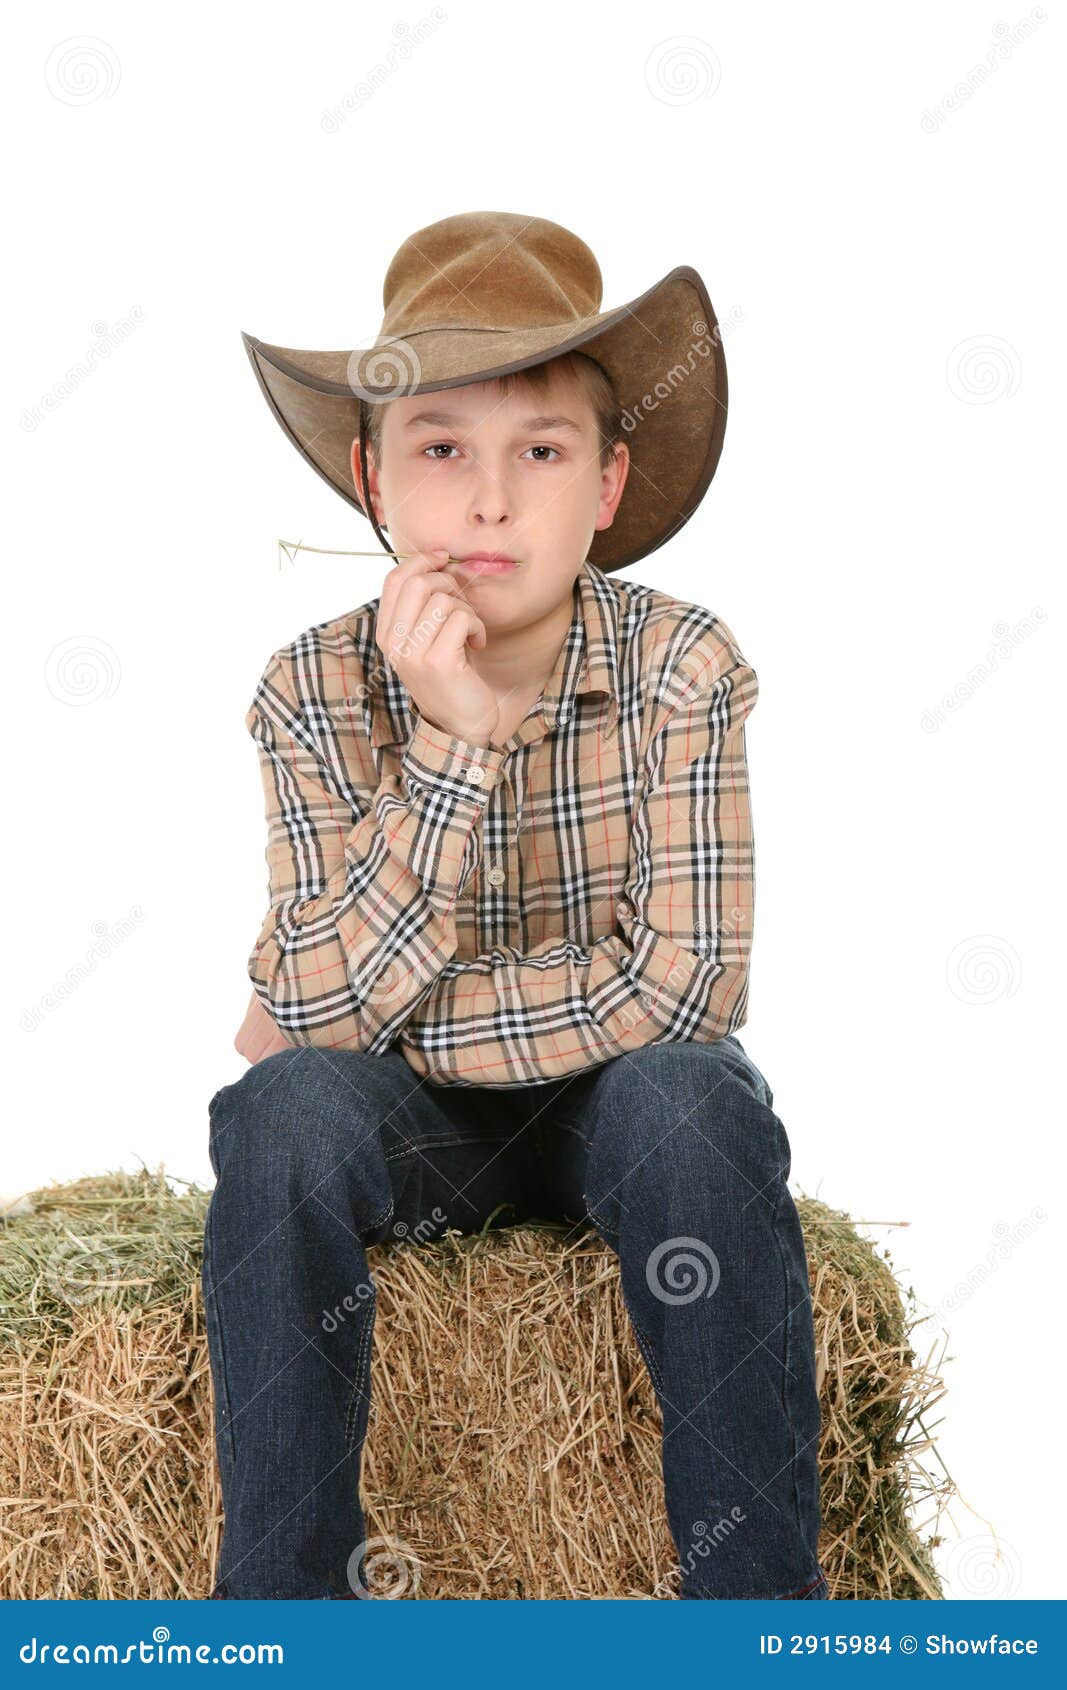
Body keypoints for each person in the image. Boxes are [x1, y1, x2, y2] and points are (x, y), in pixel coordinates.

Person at [203, 211, 827, 1600]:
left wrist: (403, 1017)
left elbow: (684, 994)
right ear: (374, 483)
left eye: (539, 451)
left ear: (607, 483)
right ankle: (283, 1619)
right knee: (284, 1115)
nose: (489, 502)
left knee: (689, 1094)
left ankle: (762, 1618)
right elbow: (304, 1032)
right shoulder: (309, 689)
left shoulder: (685, 667)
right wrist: (460, 743)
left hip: (637, 1128)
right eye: (441, 451)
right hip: (413, 1152)